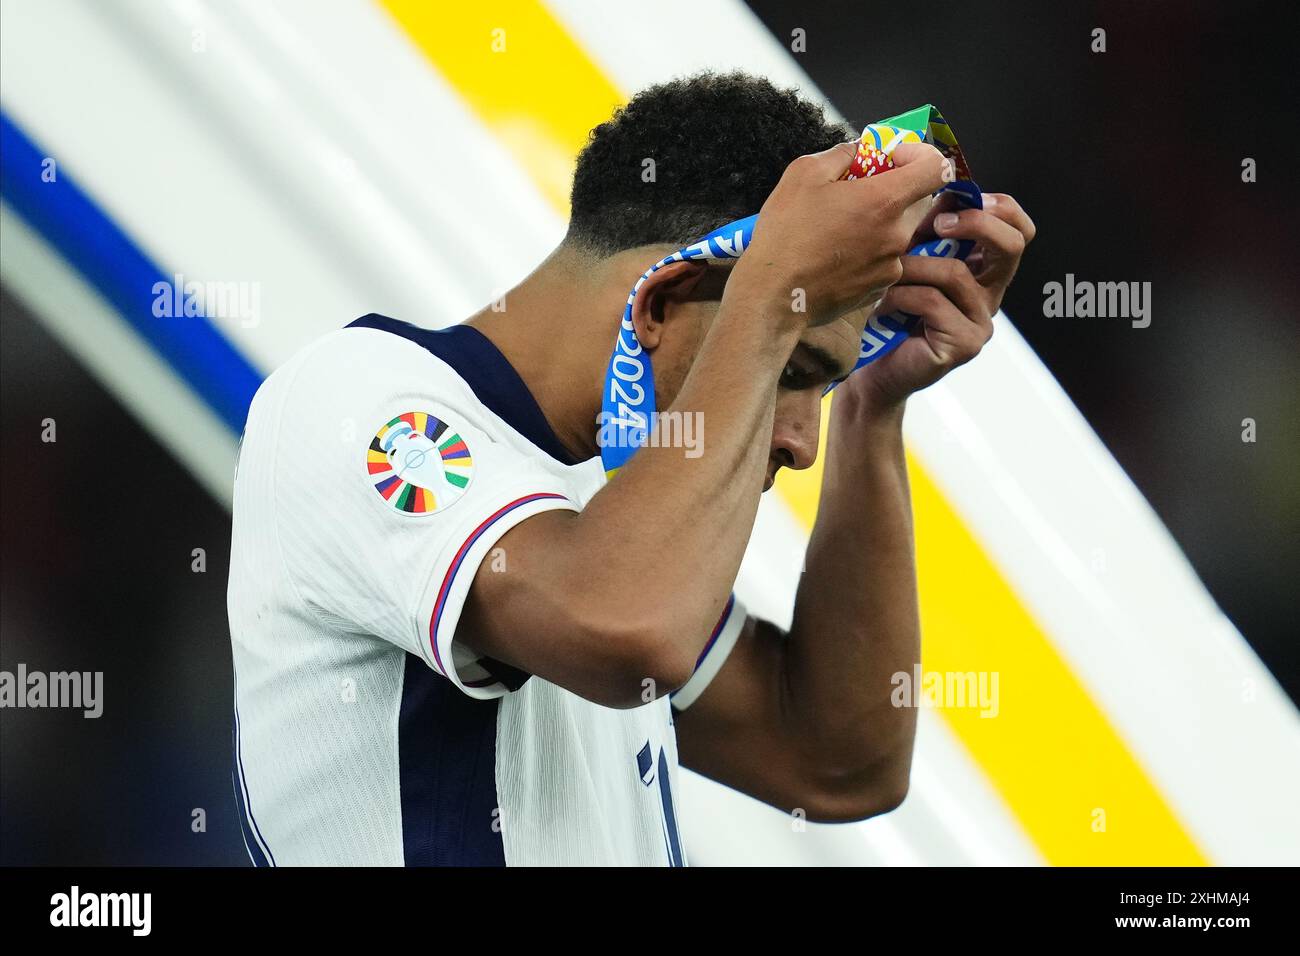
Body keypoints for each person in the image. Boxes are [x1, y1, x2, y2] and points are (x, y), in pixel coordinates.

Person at [226, 71, 1034, 866]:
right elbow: (628, 630)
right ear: (658, 302)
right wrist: (770, 291)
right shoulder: (349, 399)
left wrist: (873, 406)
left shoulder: (609, 509)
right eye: (794, 370)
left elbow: (836, 763)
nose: (801, 444)